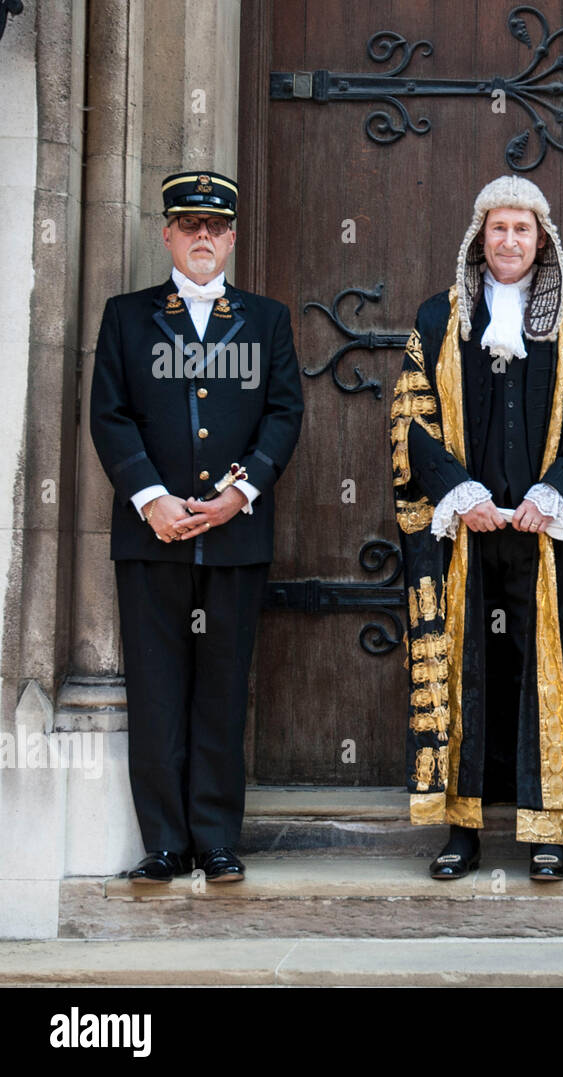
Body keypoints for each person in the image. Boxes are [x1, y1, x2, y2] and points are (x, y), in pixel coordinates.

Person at [391, 175, 563, 882]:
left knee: (542, 675)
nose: (511, 241)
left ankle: (550, 827)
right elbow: (411, 420)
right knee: (468, 673)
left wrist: (554, 491)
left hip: (543, 535)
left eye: (523, 229)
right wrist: (459, 493)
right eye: (498, 229)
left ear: (542, 239)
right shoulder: (438, 321)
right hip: (465, 532)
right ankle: (462, 831)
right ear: (479, 236)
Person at [90, 170, 304, 884]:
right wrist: (150, 498)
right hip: (150, 537)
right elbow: (110, 413)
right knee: (155, 692)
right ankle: (163, 844)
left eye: (215, 227)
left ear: (233, 237)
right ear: (168, 235)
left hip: (235, 538)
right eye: (189, 225)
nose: (202, 236)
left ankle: (215, 840)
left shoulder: (268, 320)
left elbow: (283, 412)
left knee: (220, 689)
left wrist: (241, 492)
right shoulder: (125, 316)